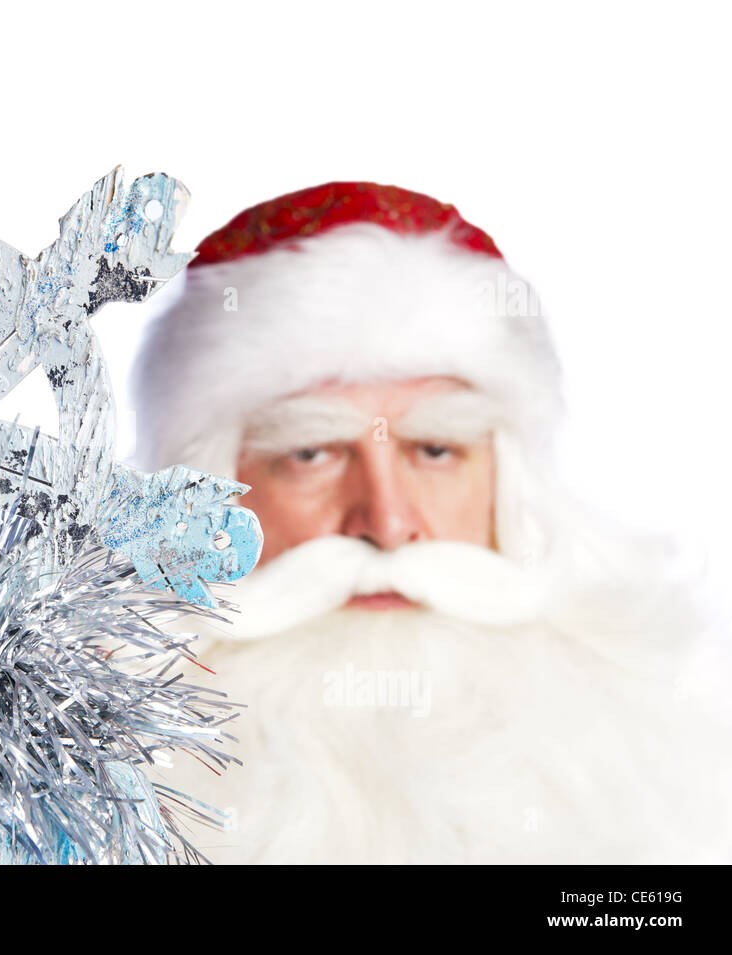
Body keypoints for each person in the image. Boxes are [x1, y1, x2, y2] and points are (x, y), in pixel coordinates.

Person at [131, 182, 732, 863]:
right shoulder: (73, 782)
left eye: (436, 450)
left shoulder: (688, 772)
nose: (387, 524)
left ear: (510, 482)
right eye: (311, 453)